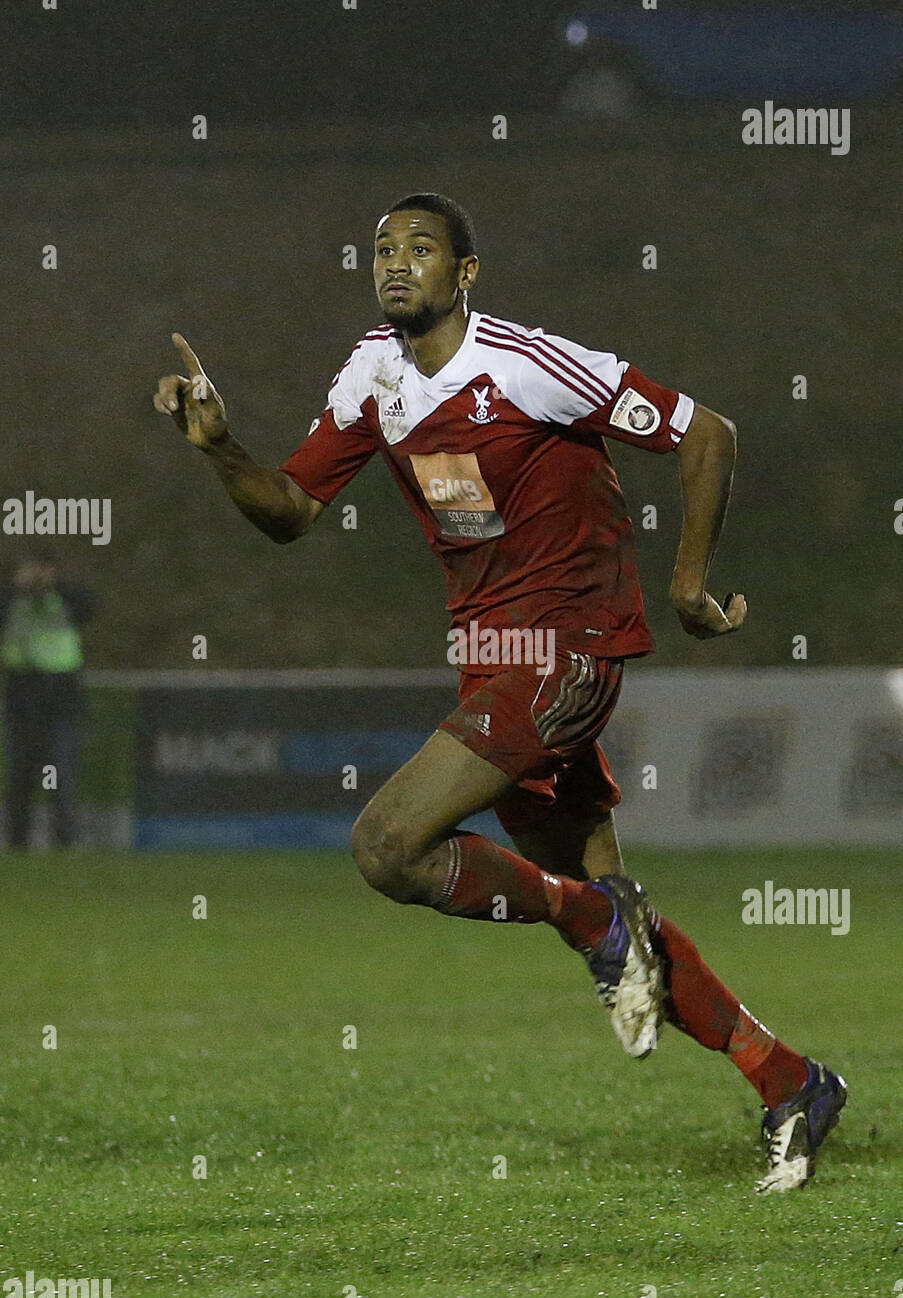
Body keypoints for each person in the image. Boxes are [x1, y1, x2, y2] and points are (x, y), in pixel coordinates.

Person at [154, 192, 846, 1192]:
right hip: (491, 655)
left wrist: (690, 583)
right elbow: (294, 508)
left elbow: (709, 435)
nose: (398, 263)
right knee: (613, 908)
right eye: (383, 248)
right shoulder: (373, 373)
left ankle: (594, 926)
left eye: (422, 248)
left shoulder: (526, 364)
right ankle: (792, 1082)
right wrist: (220, 446)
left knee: (388, 845)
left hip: (566, 648)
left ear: (465, 274)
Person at [1, 556, 94, 849]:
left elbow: (90, 605)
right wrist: (17, 588)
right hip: (22, 704)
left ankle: (66, 842)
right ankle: (18, 843)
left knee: (62, 778)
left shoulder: (64, 600)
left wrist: (56, 586)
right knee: (20, 781)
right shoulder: (13, 602)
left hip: (60, 706)